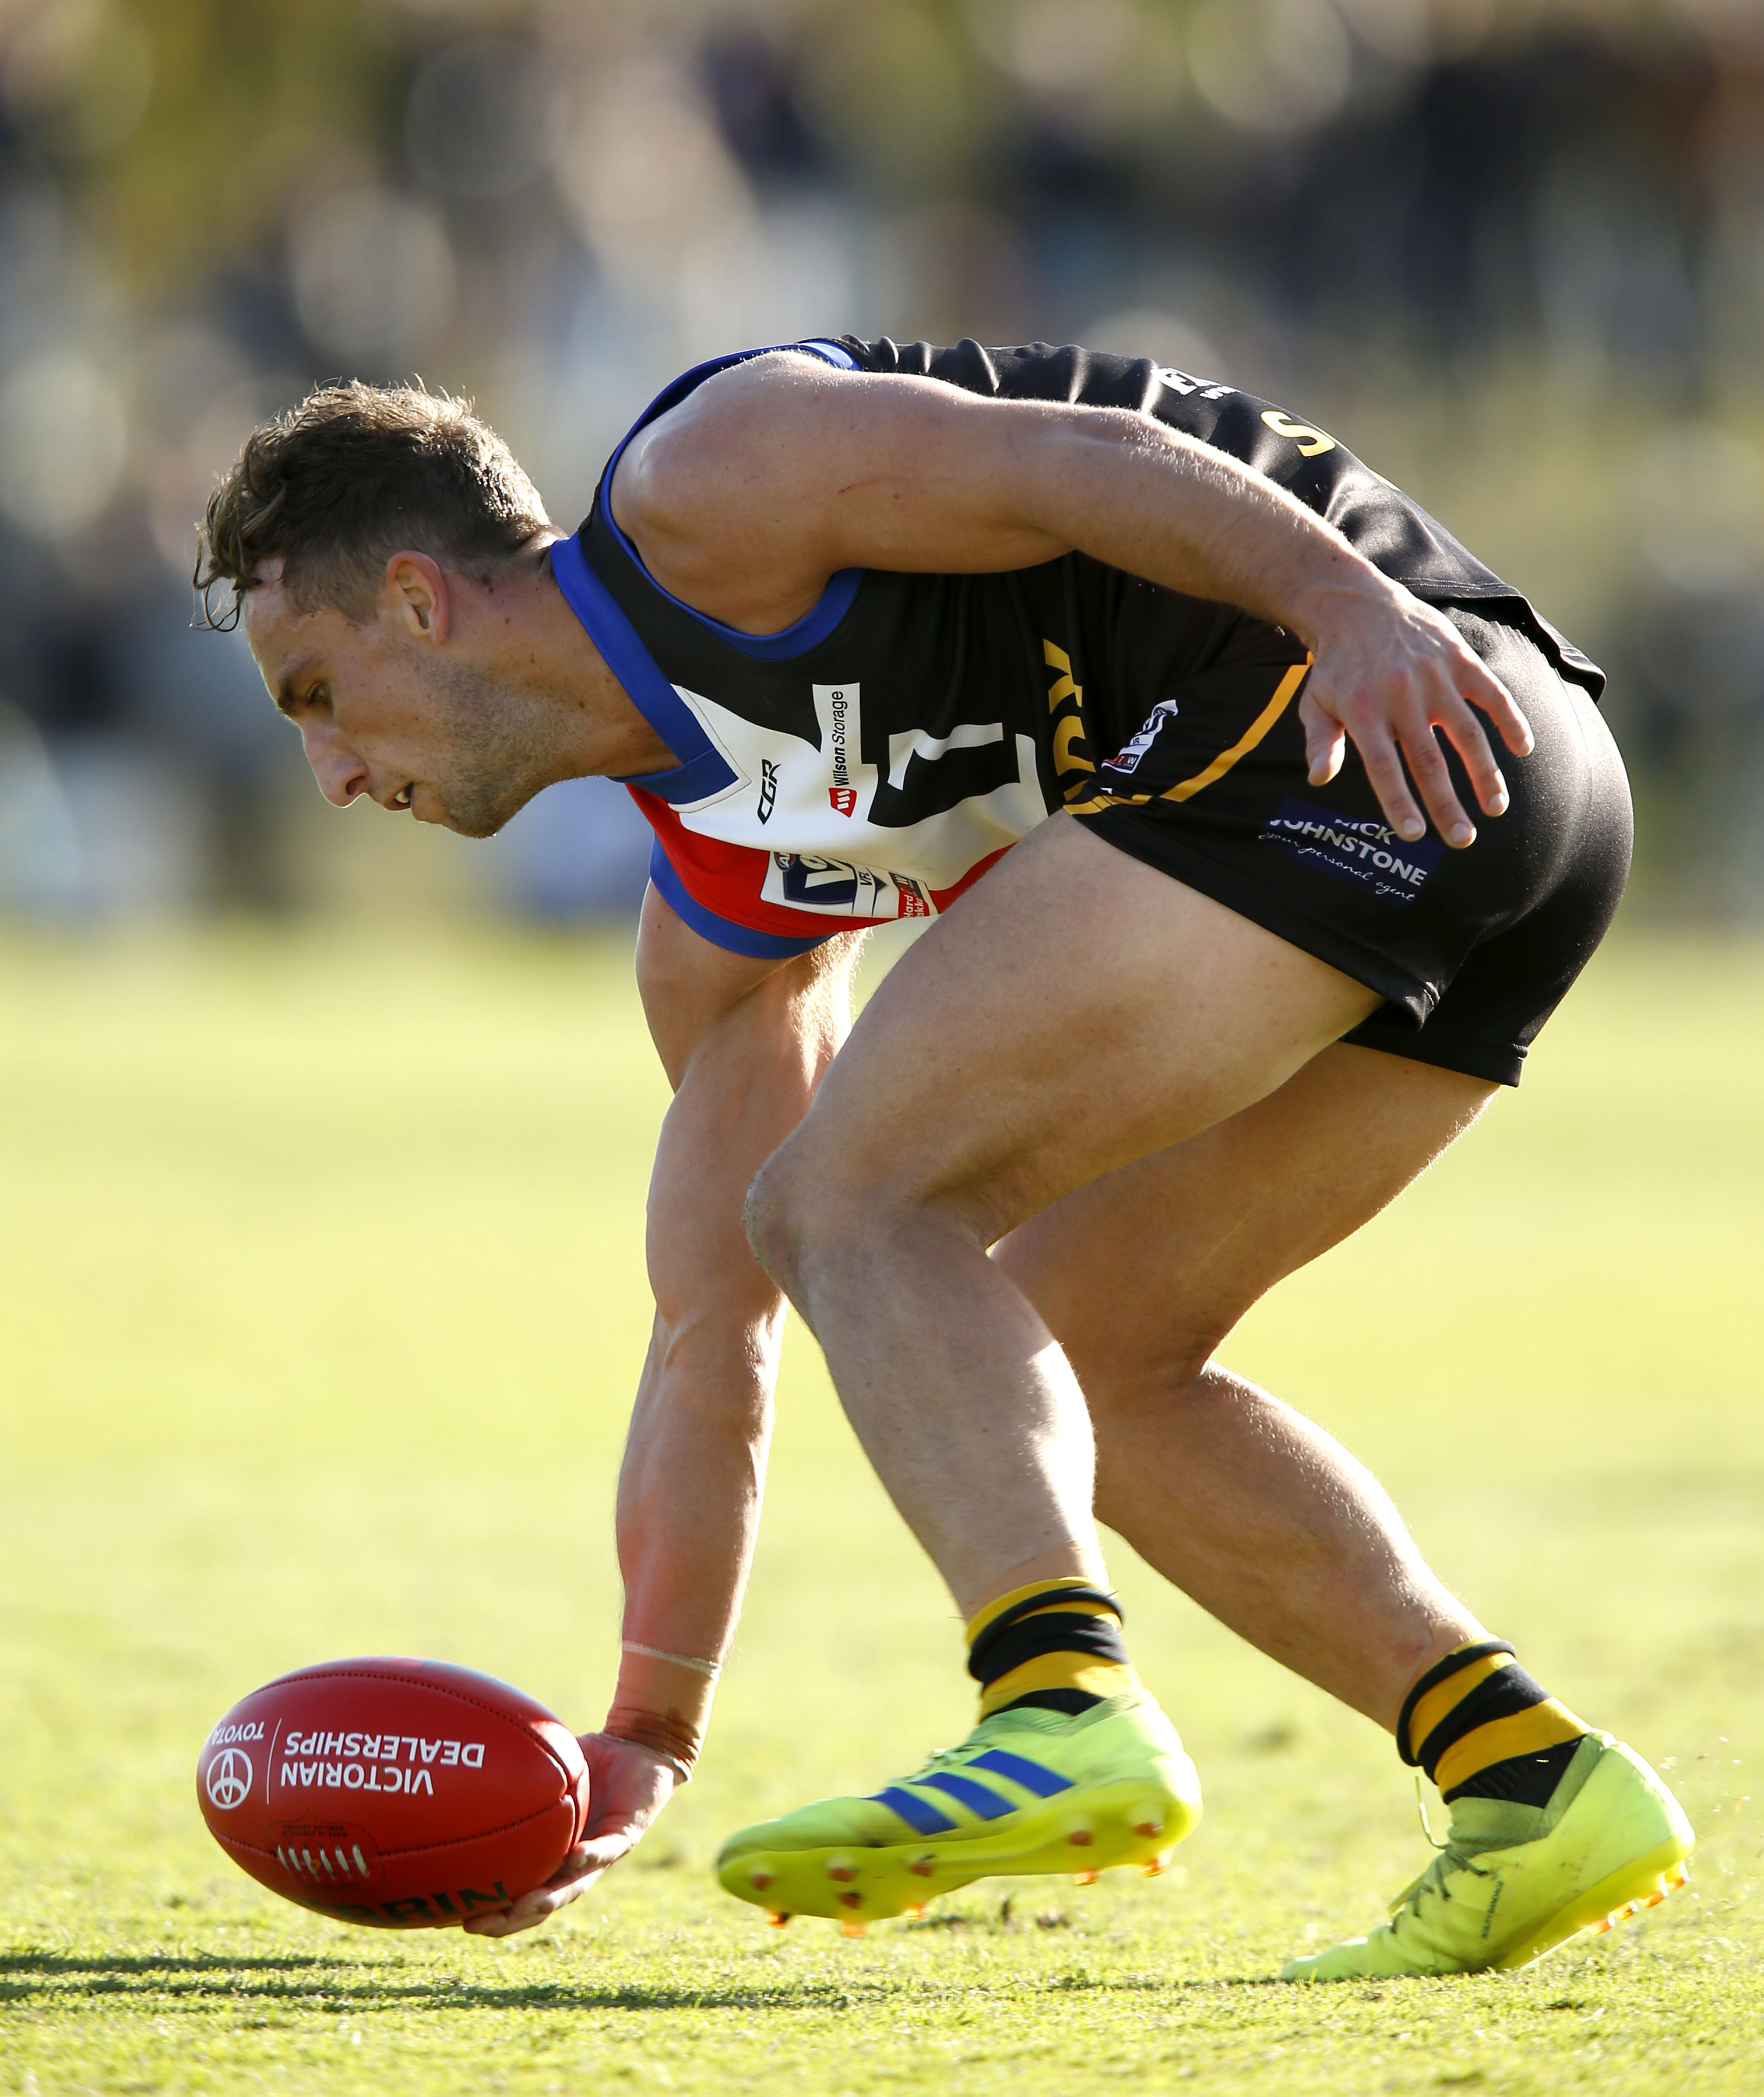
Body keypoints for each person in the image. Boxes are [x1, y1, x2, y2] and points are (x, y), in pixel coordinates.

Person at [196, 335, 1691, 1978]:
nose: (329, 774)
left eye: (315, 696)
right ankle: (1528, 1780)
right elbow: (712, 1337)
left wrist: (1345, 607)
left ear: (419, 598)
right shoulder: (724, 916)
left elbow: (1068, 460)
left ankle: (1054, 1704)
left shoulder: (709, 480)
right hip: (1476, 808)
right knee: (1070, 1351)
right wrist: (647, 1735)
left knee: (853, 1193)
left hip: (1367, 700)